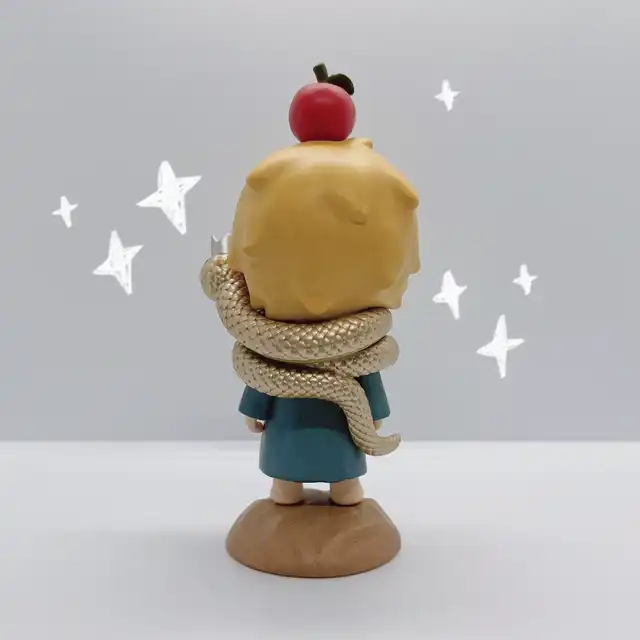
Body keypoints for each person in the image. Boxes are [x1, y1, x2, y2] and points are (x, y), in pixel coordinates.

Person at [227, 137, 420, 506]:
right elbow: (264, 370)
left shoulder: (356, 349)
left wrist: (371, 412)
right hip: (311, 421)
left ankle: (337, 486)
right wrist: (372, 413)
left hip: (326, 423)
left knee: (335, 471)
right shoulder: (274, 350)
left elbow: (364, 374)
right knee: (290, 473)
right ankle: (293, 486)